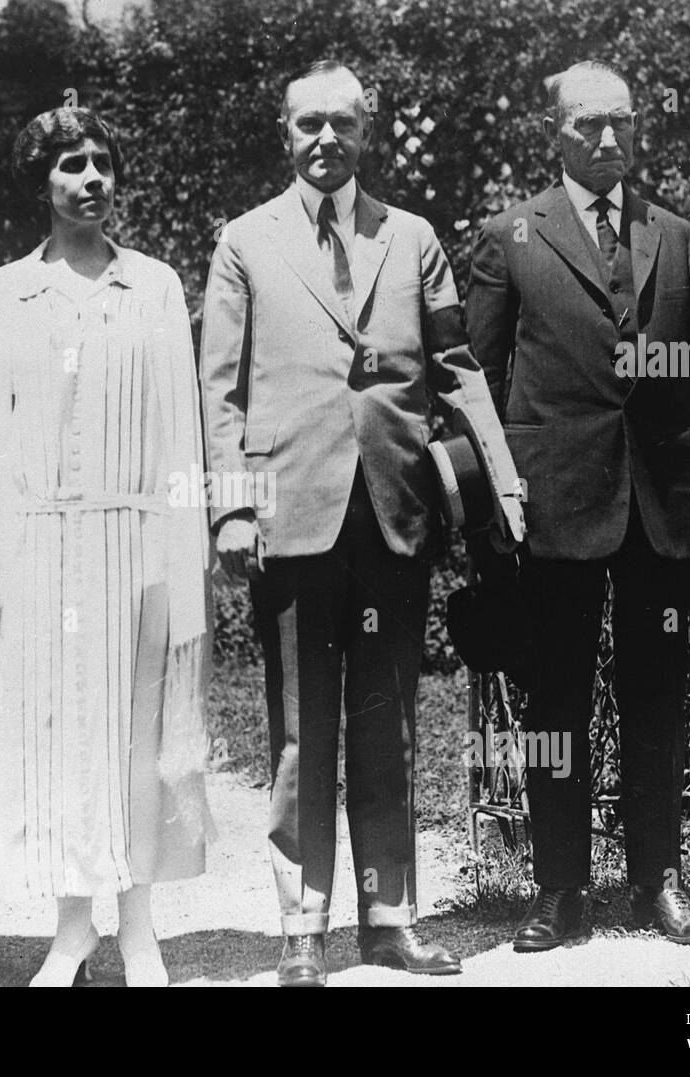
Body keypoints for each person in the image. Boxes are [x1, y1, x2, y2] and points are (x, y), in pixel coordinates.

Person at [199, 60, 522, 986]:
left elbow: (458, 366)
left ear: (368, 129)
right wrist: (227, 503)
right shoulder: (244, 243)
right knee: (301, 731)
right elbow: (219, 389)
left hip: (392, 512)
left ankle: (387, 917)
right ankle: (303, 926)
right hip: (290, 513)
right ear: (285, 132)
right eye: (309, 124)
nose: (326, 140)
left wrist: (502, 479)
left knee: (389, 722)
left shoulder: (412, 238)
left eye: (343, 122)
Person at [465, 60, 690, 952]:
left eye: (619, 123)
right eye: (587, 124)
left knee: (657, 695)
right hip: (553, 512)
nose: (605, 139)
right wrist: (489, 511)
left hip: (659, 513)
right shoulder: (510, 235)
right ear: (554, 132)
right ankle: (559, 887)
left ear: (636, 130)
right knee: (556, 705)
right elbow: (474, 385)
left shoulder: (676, 237)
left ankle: (658, 879)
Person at [0, 107, 213, 988]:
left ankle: (139, 925)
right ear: (42, 182)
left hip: (134, 541)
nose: (92, 178)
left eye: (104, 161)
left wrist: (187, 556)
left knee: (136, 735)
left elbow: (182, 433)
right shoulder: (6, 293)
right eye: (72, 164)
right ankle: (72, 926)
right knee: (58, 733)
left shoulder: (155, 287)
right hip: (38, 551)